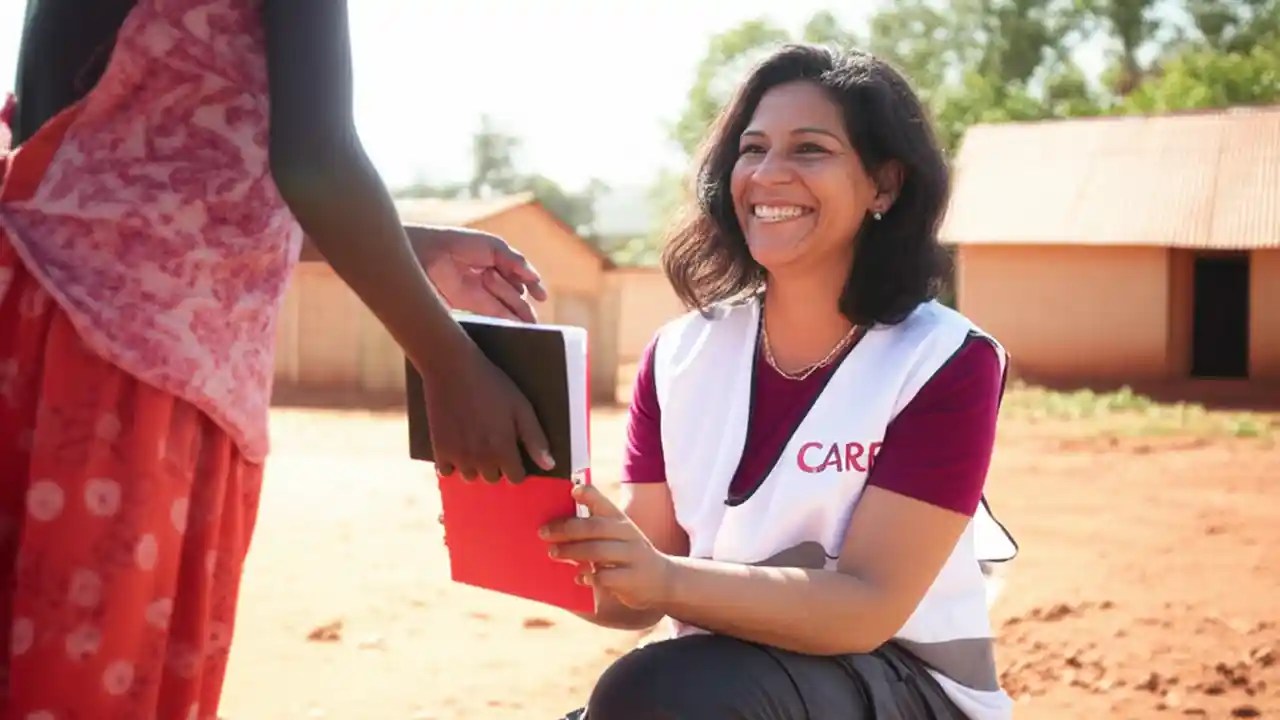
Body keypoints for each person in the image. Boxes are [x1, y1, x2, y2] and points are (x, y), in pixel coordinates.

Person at [0, 0, 555, 717]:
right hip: (130, 383)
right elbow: (315, 159)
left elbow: (136, 165)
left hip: (40, 340)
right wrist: (450, 365)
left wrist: (407, 248)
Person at [540, 44, 1018, 719]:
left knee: (662, 692)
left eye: (810, 150)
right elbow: (629, 596)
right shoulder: (679, 355)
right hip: (723, 682)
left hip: (905, 684)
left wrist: (666, 579)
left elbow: (866, 608)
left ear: (884, 184)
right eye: (753, 148)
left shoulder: (944, 361)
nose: (768, 174)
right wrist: (533, 537)